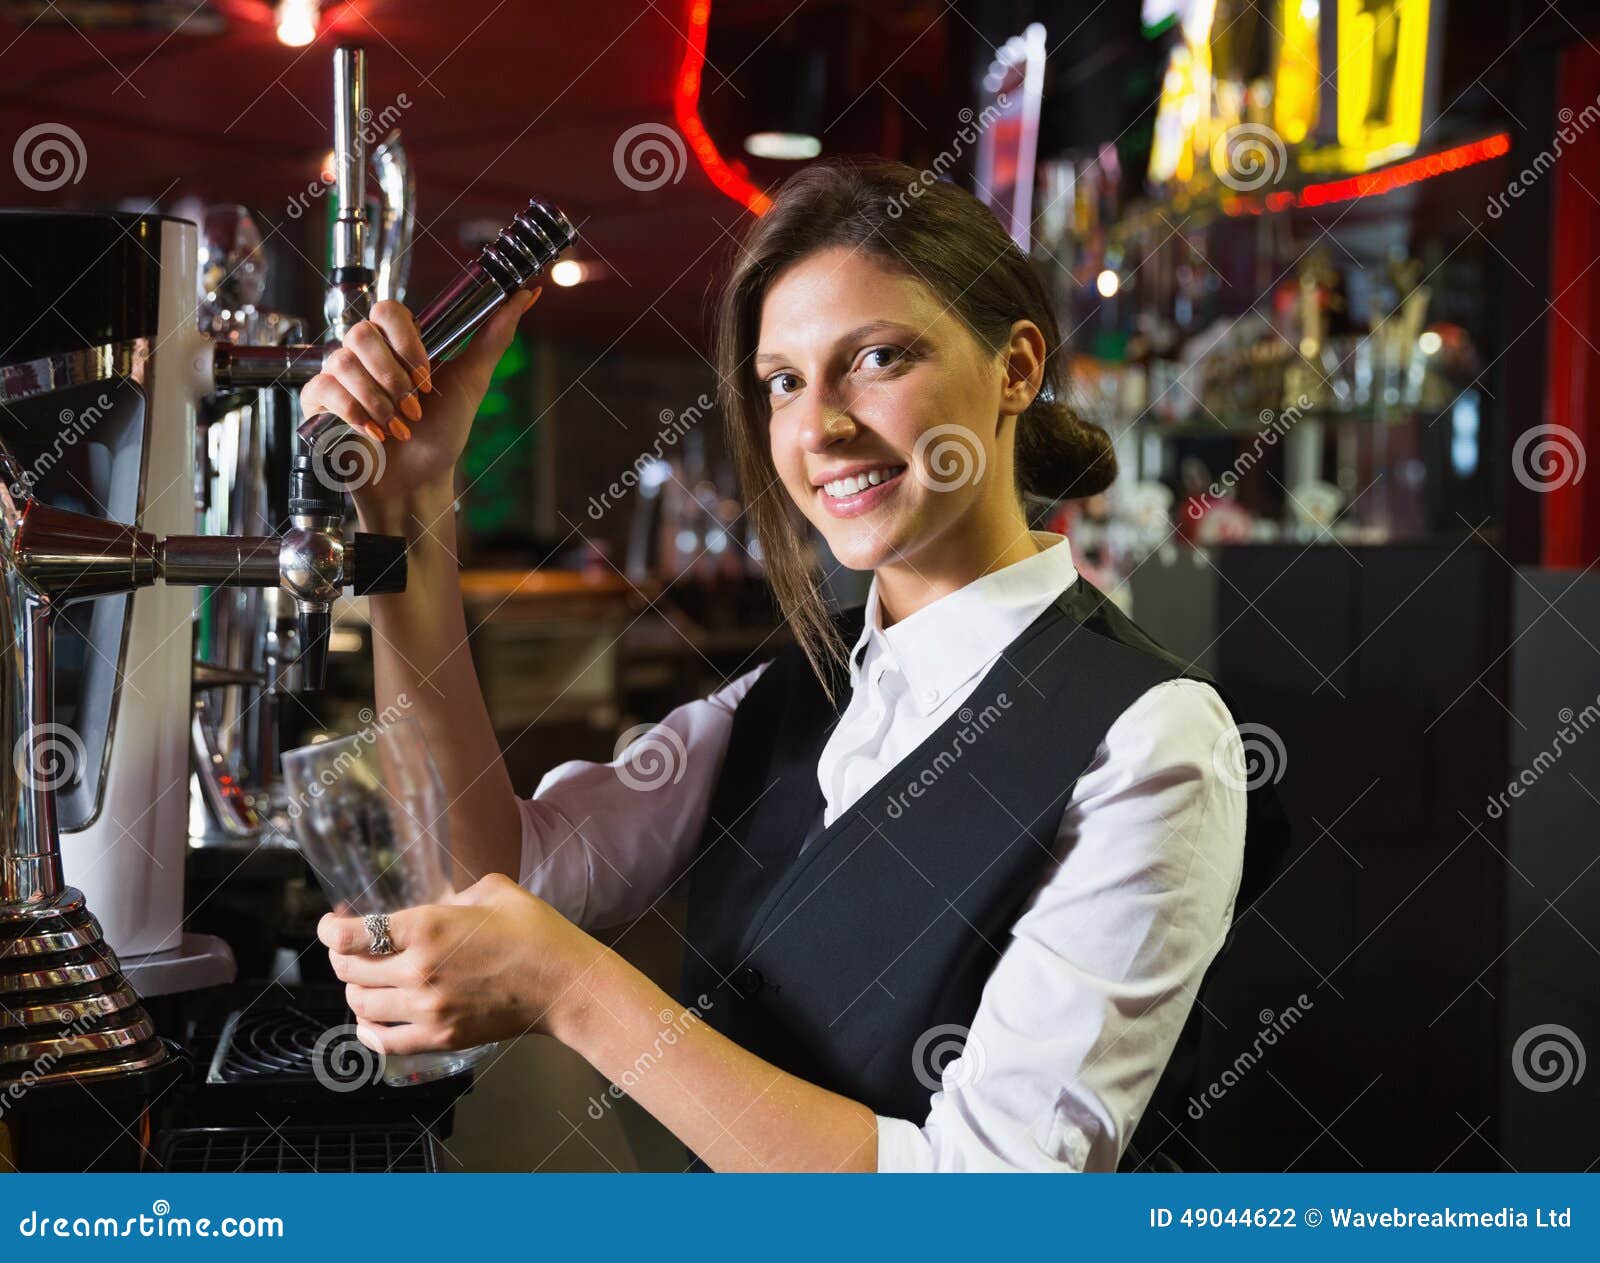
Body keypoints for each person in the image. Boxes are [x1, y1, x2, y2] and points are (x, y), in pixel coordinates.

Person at [301, 158, 1285, 1173]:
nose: (819, 425)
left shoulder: (1151, 736)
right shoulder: (785, 698)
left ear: (1017, 367)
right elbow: (484, 879)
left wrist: (574, 992)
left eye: (878, 358)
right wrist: (409, 508)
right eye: (782, 381)